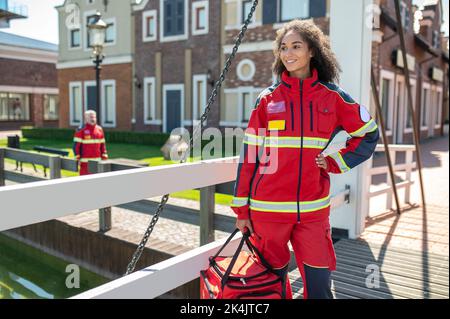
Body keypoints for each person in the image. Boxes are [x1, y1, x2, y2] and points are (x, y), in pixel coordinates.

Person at [230, 19, 380, 299]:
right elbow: (249, 156)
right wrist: (242, 210)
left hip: (312, 212)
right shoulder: (267, 100)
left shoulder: (333, 98)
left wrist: (336, 161)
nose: (288, 53)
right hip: (267, 211)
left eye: (296, 46)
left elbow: (368, 134)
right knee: (269, 287)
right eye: (283, 48)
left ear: (312, 50)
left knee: (320, 287)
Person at [73, 110, 108, 175]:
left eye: (94, 117)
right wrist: (77, 157)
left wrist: (104, 154)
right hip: (85, 163)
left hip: (98, 162)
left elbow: (103, 144)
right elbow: (76, 146)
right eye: (91, 117)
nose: (93, 119)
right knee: (85, 182)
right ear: (86, 118)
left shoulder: (99, 129)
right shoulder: (81, 129)